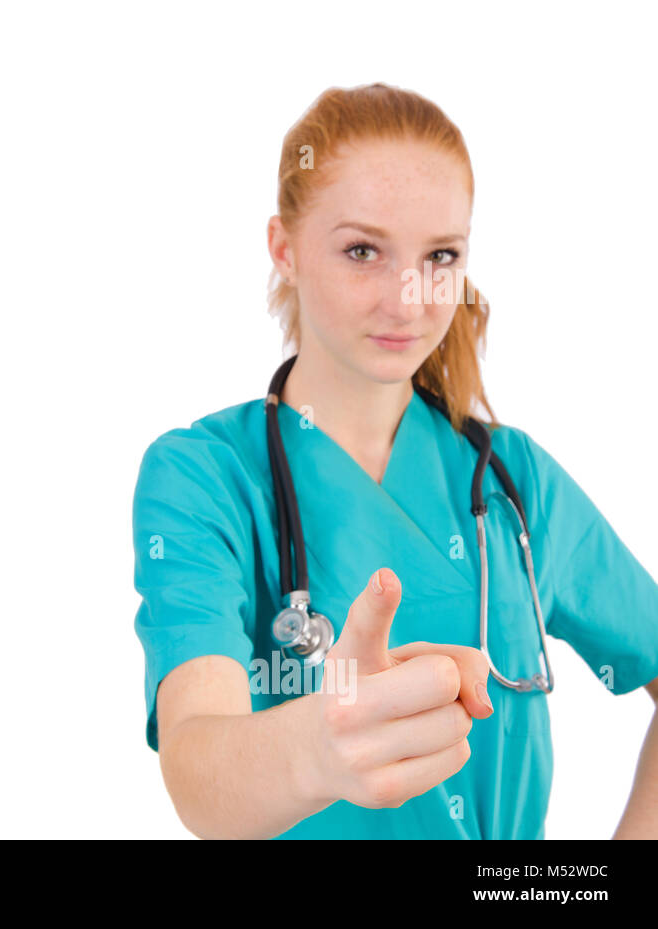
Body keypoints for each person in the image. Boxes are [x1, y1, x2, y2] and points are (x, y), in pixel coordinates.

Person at [131, 83, 658, 839]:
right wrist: (321, 745)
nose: (408, 301)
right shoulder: (206, 476)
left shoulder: (514, 482)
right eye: (361, 251)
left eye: (440, 256)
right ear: (284, 248)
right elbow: (197, 771)